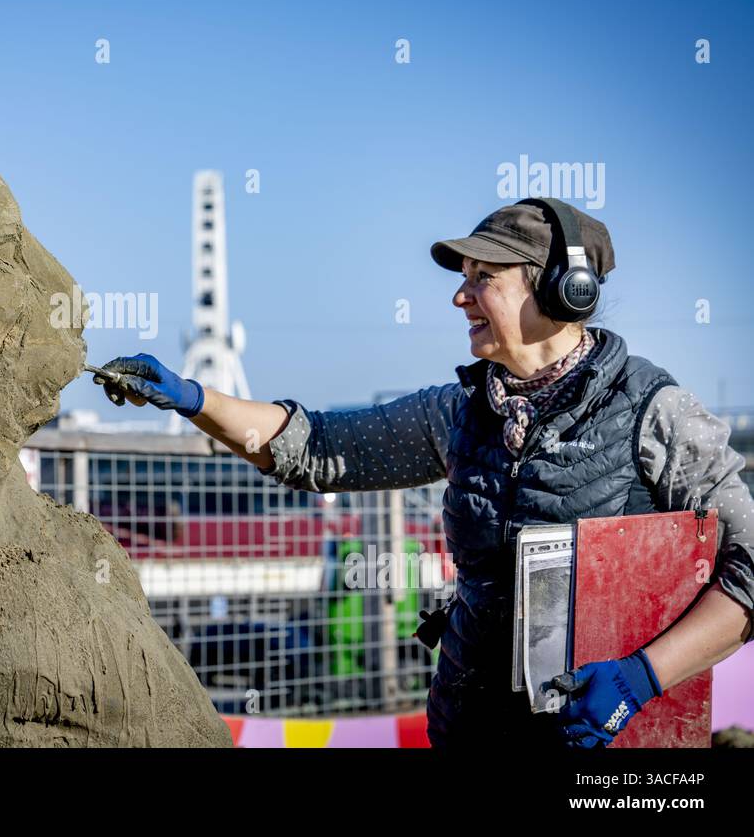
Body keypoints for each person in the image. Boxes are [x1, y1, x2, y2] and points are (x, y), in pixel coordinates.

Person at [94, 197, 754, 748]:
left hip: (607, 743)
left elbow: (750, 572)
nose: (459, 296)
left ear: (562, 288)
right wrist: (192, 400)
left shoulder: (656, 415)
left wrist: (640, 678)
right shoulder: (456, 414)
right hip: (470, 733)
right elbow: (314, 445)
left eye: (482, 278)